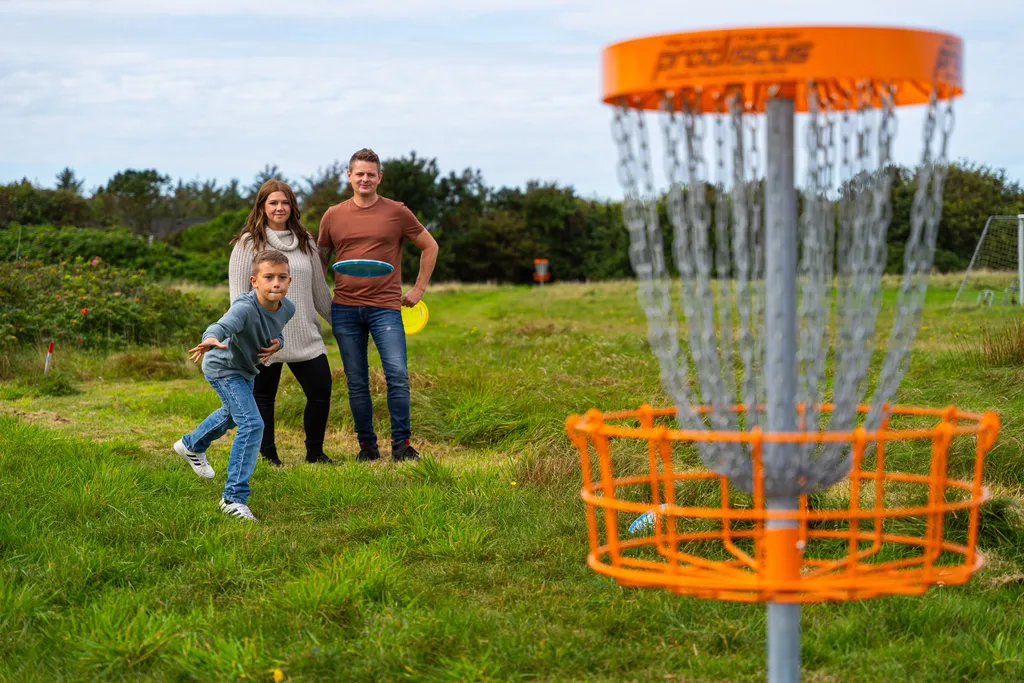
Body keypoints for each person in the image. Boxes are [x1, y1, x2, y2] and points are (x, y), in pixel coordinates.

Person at [317, 148, 439, 463]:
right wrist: (318, 297)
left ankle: (402, 447)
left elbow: (430, 245)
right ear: (349, 176)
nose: (365, 179)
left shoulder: (397, 212)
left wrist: (419, 288)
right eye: (359, 173)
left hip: (385, 307)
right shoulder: (332, 215)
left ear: (379, 177)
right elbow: (320, 260)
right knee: (356, 381)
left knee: (396, 374)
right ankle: (367, 449)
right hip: (344, 309)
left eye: (371, 174)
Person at [173, 250, 296, 522]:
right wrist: (210, 339)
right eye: (268, 277)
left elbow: (274, 332)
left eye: (282, 277)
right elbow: (222, 325)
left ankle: (191, 444)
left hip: (246, 369)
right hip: (223, 368)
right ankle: (233, 498)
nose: (276, 283)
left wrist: (279, 343)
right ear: (254, 281)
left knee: (231, 415)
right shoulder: (244, 306)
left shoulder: (288, 308)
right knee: (252, 424)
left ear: (289, 281)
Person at [229, 179, 336, 467]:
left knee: (321, 392)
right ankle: (268, 456)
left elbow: (319, 291)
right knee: (263, 398)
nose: (279, 208)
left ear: (292, 206)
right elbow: (238, 296)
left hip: (305, 334)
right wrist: (248, 336)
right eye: (273, 202)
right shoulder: (248, 243)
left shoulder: (305, 242)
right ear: (262, 206)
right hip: (263, 336)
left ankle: (315, 453)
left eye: (285, 202)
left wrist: (342, 324)